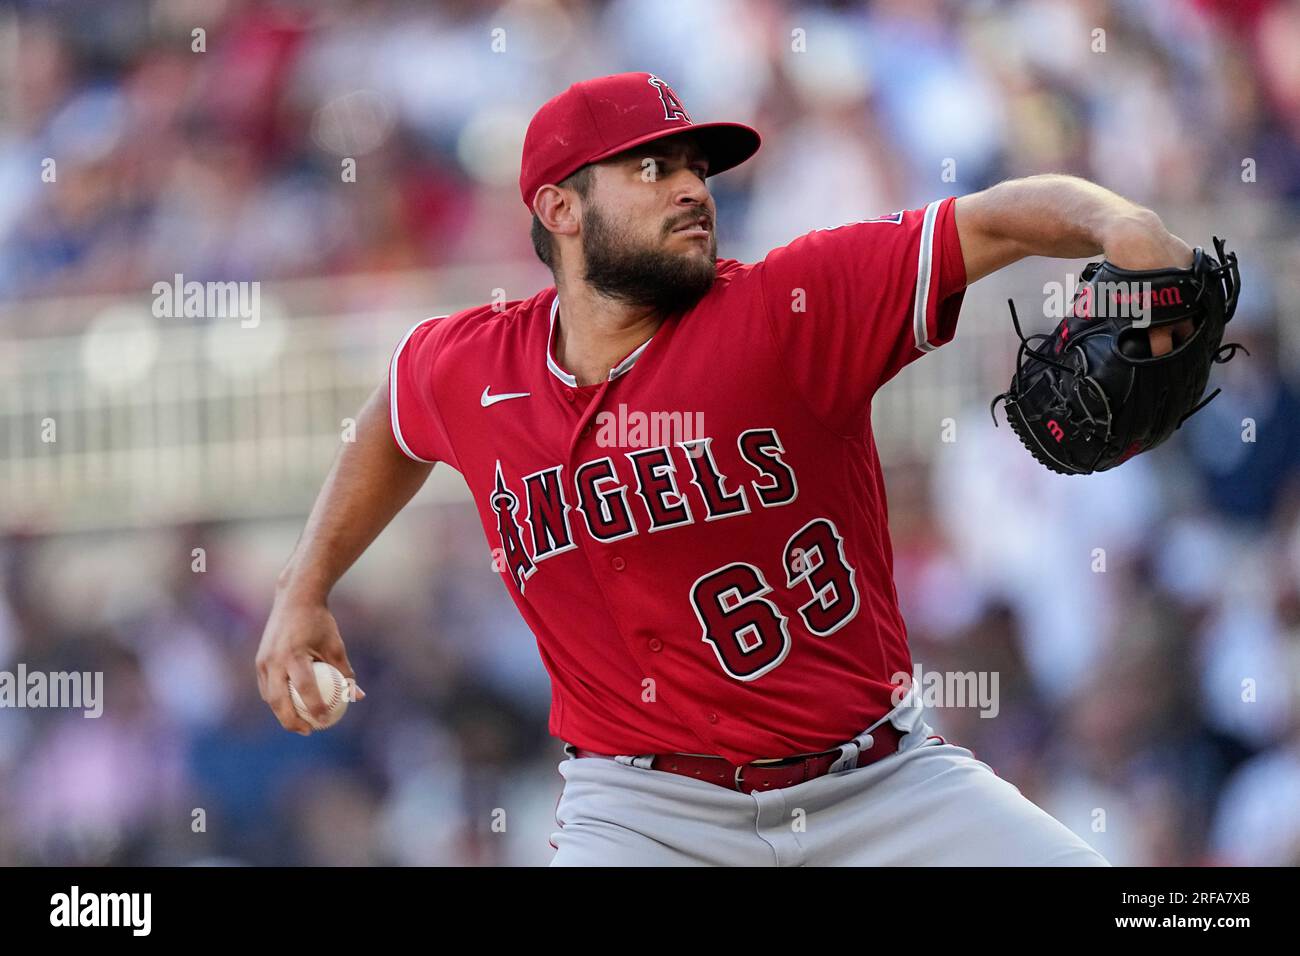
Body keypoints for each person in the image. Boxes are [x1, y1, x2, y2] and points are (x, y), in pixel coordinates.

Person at [257, 72, 1196, 866]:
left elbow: (992, 221)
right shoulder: (472, 366)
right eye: (653, 167)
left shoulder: (791, 306)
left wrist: (1123, 222)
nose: (692, 189)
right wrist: (306, 589)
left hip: (878, 786)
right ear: (559, 207)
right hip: (642, 815)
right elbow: (393, 417)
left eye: (698, 169)